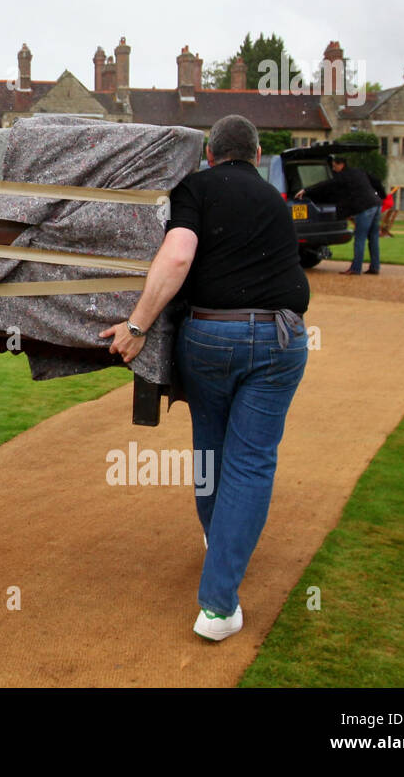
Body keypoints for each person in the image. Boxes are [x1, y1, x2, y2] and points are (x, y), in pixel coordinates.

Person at [100, 115, 309, 642]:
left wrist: (136, 325)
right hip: (278, 340)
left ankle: (221, 562)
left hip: (209, 337)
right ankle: (218, 604)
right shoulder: (275, 201)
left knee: (211, 455)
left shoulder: (195, 186)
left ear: (210, 154)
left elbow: (178, 252)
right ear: (257, 155)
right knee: (252, 461)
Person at [295, 156, 385, 275]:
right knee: (373, 238)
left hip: (365, 208)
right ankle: (375, 267)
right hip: (376, 205)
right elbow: (377, 181)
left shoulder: (343, 176)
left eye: (334, 165)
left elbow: (326, 185)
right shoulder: (358, 171)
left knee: (360, 238)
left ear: (340, 164)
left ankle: (355, 268)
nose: (333, 168)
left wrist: (306, 191)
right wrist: (382, 196)